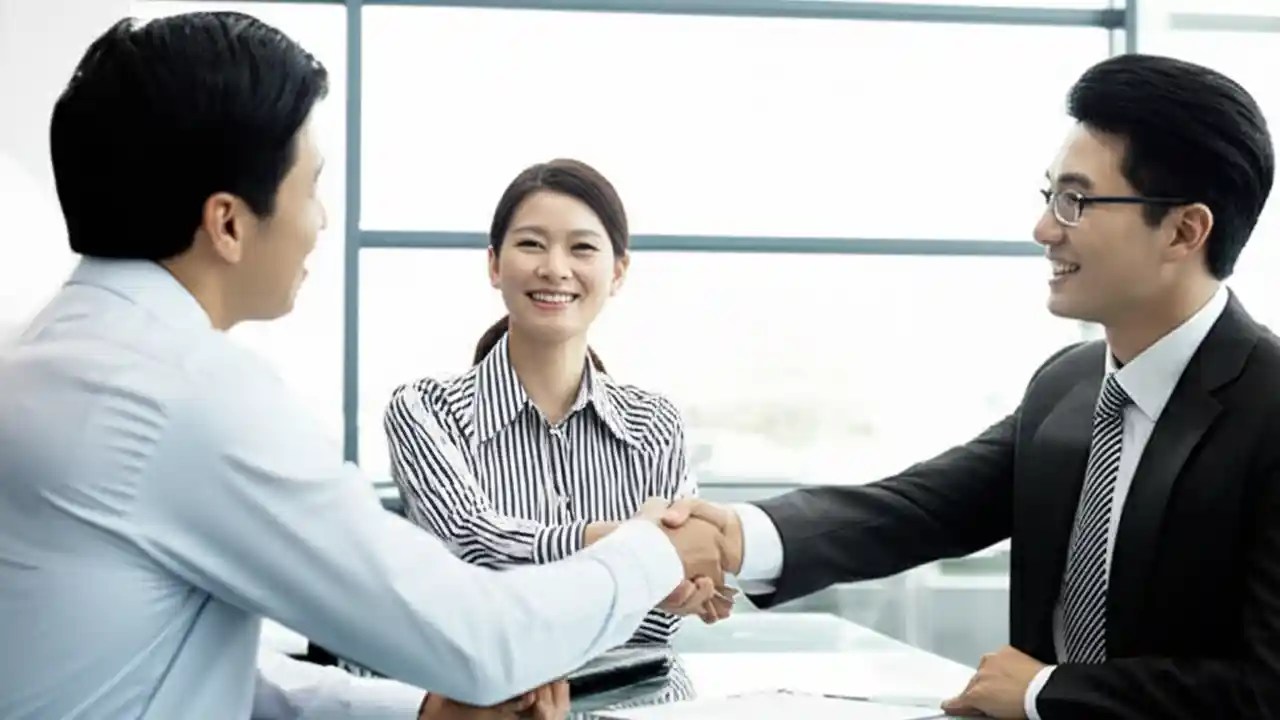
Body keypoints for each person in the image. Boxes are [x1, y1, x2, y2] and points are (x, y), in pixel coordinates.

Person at [0, 12, 731, 719]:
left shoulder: (55, 357)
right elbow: (480, 641)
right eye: (309, 187)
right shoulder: (186, 396)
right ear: (228, 222)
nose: (320, 220)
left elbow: (169, 664)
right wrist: (651, 551)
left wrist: (417, 710)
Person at [666, 53, 1280, 719]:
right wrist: (732, 536)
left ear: (1184, 230)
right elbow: (922, 509)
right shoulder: (1068, 386)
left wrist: (1047, 692)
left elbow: (1267, 685)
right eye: (1050, 198)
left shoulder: (1270, 408)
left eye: (1075, 201)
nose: (1044, 229)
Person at [384, 159, 733, 656]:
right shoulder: (426, 410)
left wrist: (673, 577)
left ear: (617, 273)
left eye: (582, 248)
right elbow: (472, 546)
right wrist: (634, 548)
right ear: (493, 264)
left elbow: (657, 626)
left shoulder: (654, 423)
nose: (555, 267)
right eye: (530, 243)